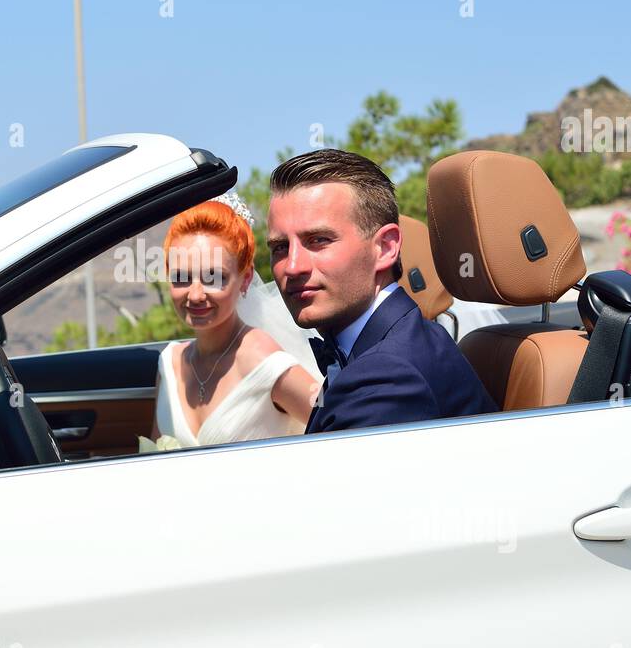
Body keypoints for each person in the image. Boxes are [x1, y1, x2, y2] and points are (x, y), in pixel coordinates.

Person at [267, 148, 496, 432]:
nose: (292, 267)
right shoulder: (406, 339)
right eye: (279, 247)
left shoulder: (386, 378)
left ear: (385, 248)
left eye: (318, 240)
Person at [147, 196, 322, 449]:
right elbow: (151, 457)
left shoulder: (265, 360)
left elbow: (342, 431)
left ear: (245, 279)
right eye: (181, 278)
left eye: (214, 277)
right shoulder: (169, 362)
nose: (195, 295)